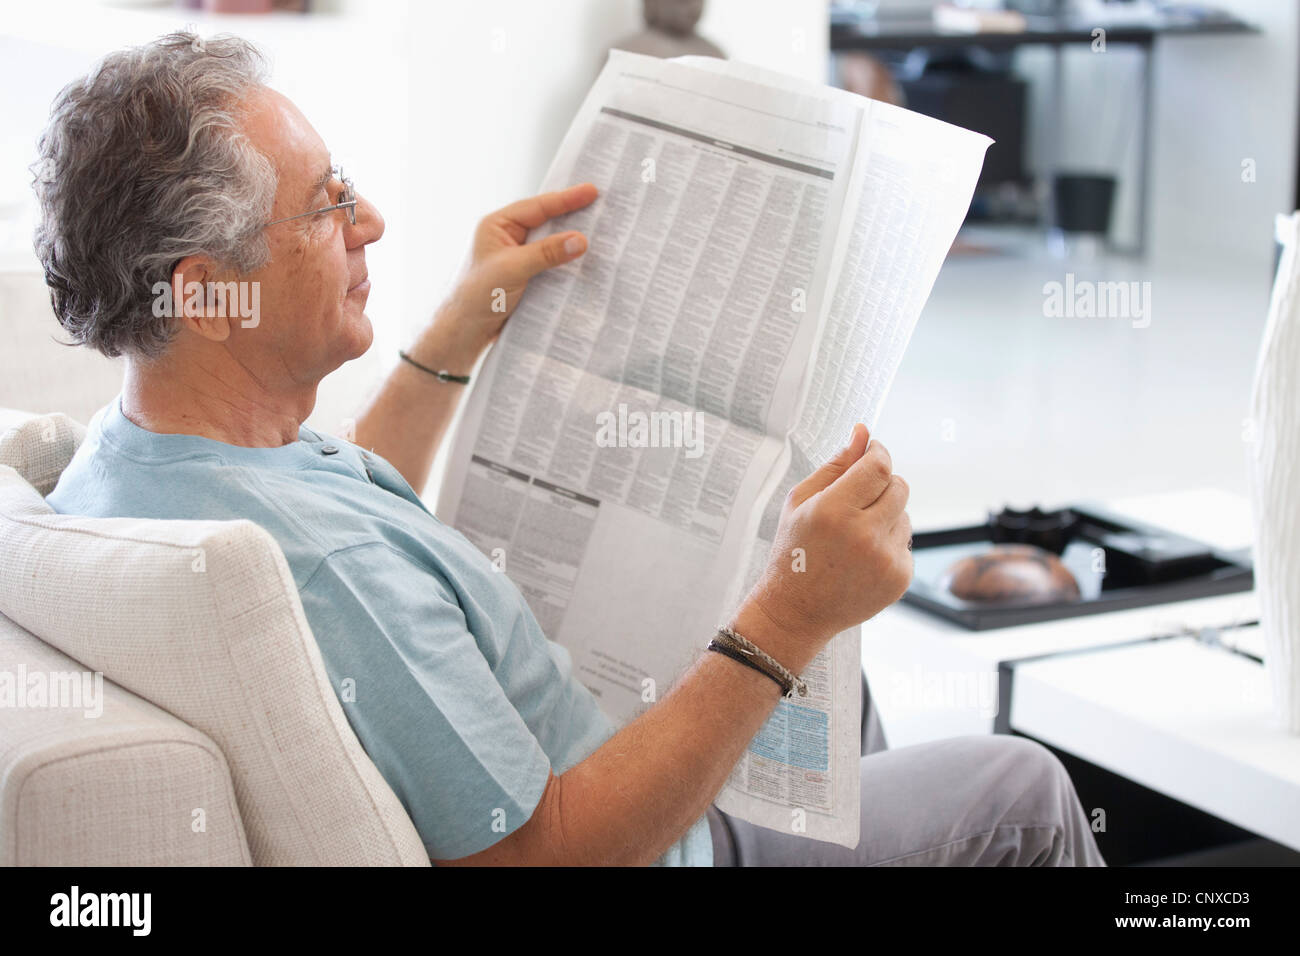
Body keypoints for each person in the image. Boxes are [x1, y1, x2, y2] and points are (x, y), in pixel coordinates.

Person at [39, 32, 1104, 866]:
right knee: (1018, 787)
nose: (370, 222)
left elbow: (345, 513)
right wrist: (784, 613)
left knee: (839, 704)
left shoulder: (136, 461)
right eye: (324, 208)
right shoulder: (328, 572)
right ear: (205, 296)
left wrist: (461, 326)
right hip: (650, 840)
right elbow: (543, 852)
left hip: (589, 752)